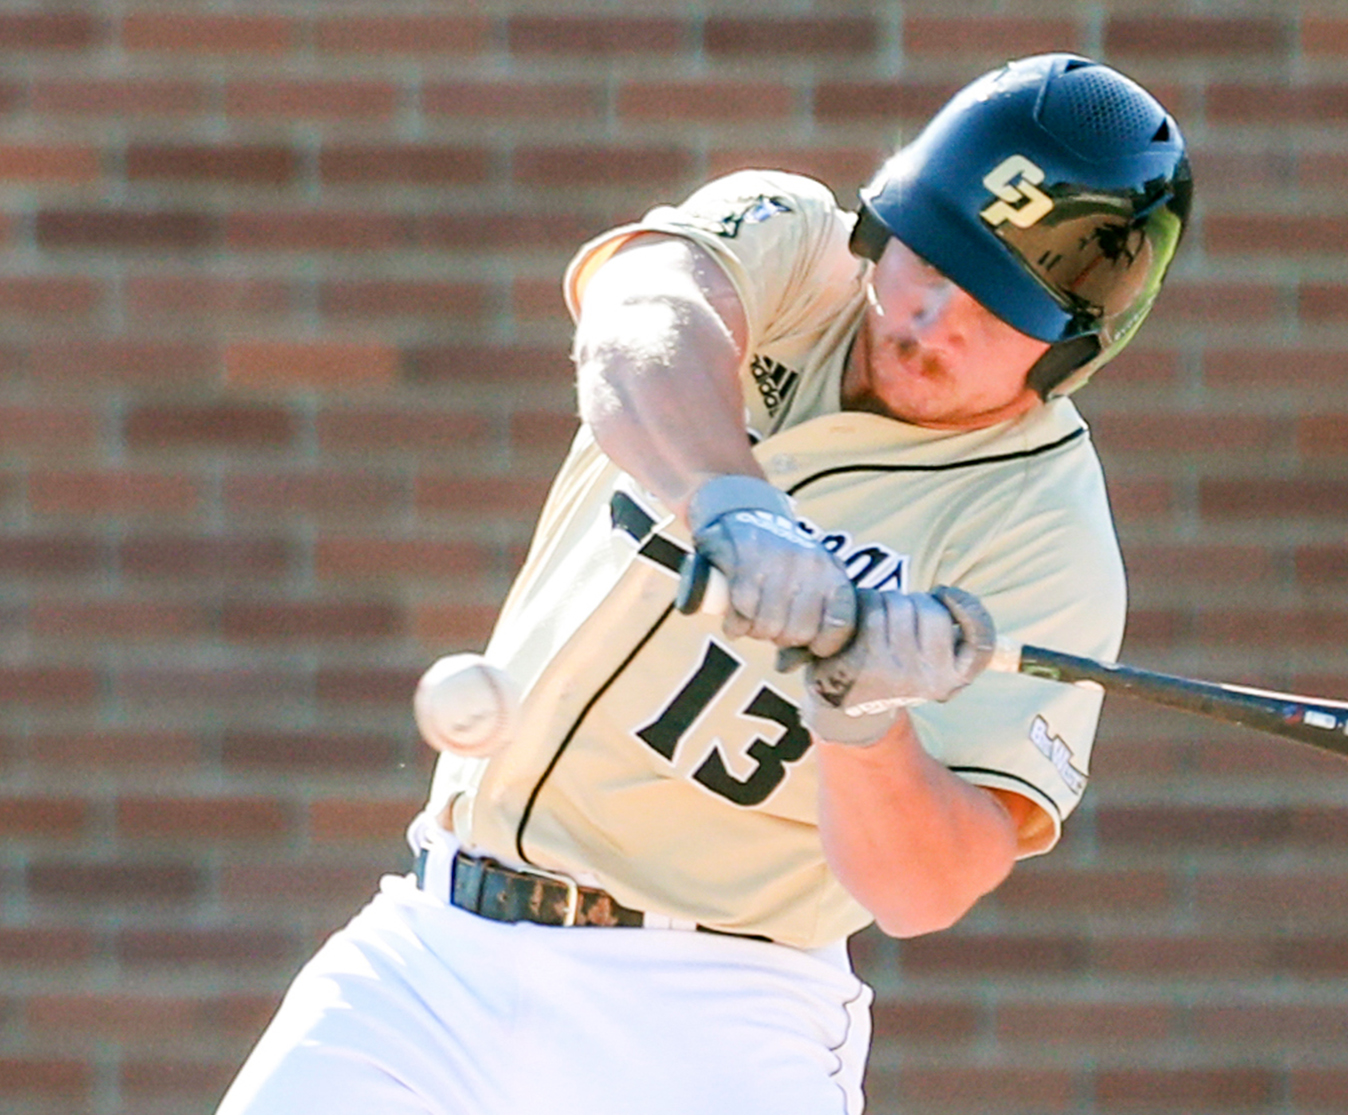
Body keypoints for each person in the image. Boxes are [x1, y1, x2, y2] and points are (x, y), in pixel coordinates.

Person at [217, 53, 1191, 1115]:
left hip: (711, 1004)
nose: (929, 316)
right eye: (929, 258)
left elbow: (926, 889)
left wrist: (866, 723)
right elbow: (636, 320)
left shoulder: (1045, 535)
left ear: (1071, 349)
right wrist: (737, 506)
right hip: (434, 944)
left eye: (993, 304)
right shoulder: (794, 245)